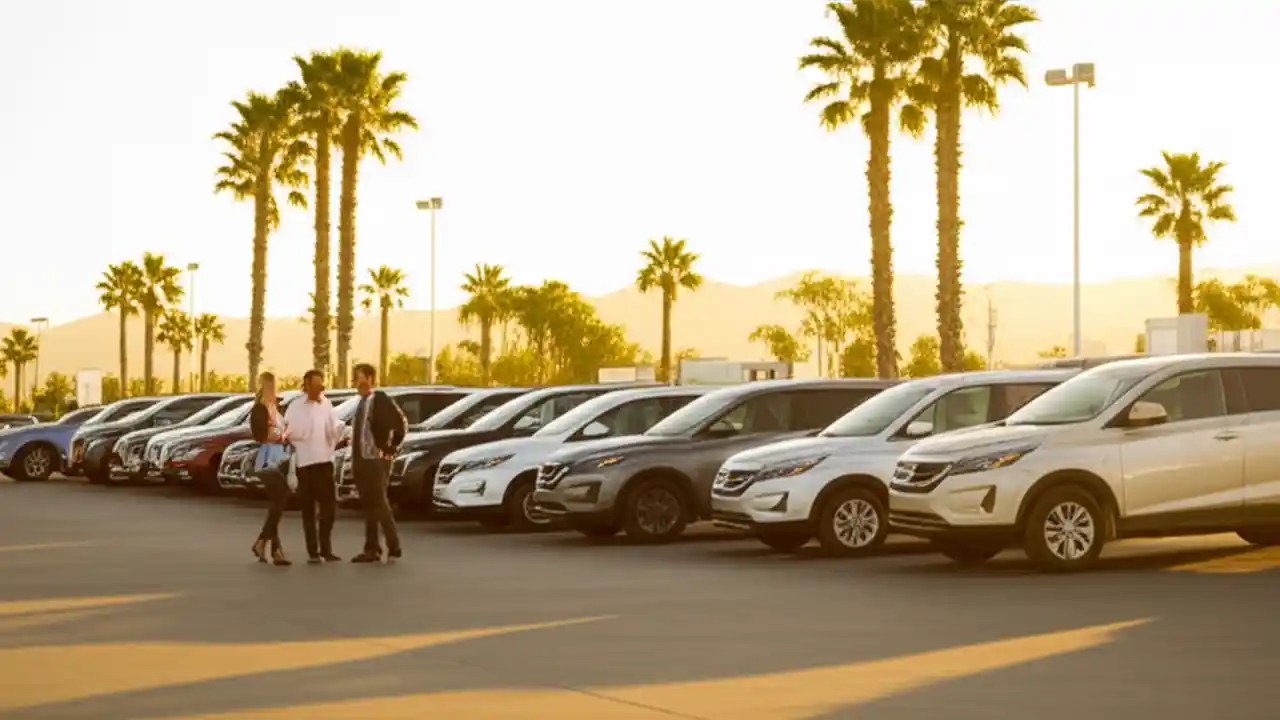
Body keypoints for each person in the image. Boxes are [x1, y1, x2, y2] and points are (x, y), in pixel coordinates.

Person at [350, 363, 407, 564]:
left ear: (370, 379)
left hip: (375, 460)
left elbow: (400, 424)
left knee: (380, 503)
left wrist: (390, 448)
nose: (356, 382)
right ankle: (372, 548)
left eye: (359, 377)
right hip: (361, 459)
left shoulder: (379, 399)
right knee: (369, 505)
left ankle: (394, 545)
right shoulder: (361, 402)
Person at [284, 369, 343, 564]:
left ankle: (326, 548)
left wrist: (336, 433)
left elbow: (334, 428)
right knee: (308, 509)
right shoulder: (295, 406)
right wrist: (304, 430)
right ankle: (313, 551)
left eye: (321, 385)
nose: (320, 389)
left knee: (329, 507)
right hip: (306, 462)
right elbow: (289, 433)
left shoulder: (327, 404)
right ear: (307, 385)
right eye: (316, 385)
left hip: (325, 461)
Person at [249, 372, 291, 566]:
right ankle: (264, 542)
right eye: (268, 386)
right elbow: (260, 435)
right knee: (279, 500)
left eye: (273, 386)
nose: (272, 390)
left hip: (281, 456)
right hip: (268, 458)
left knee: (277, 502)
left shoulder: (276, 409)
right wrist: (277, 435)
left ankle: (273, 549)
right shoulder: (259, 409)